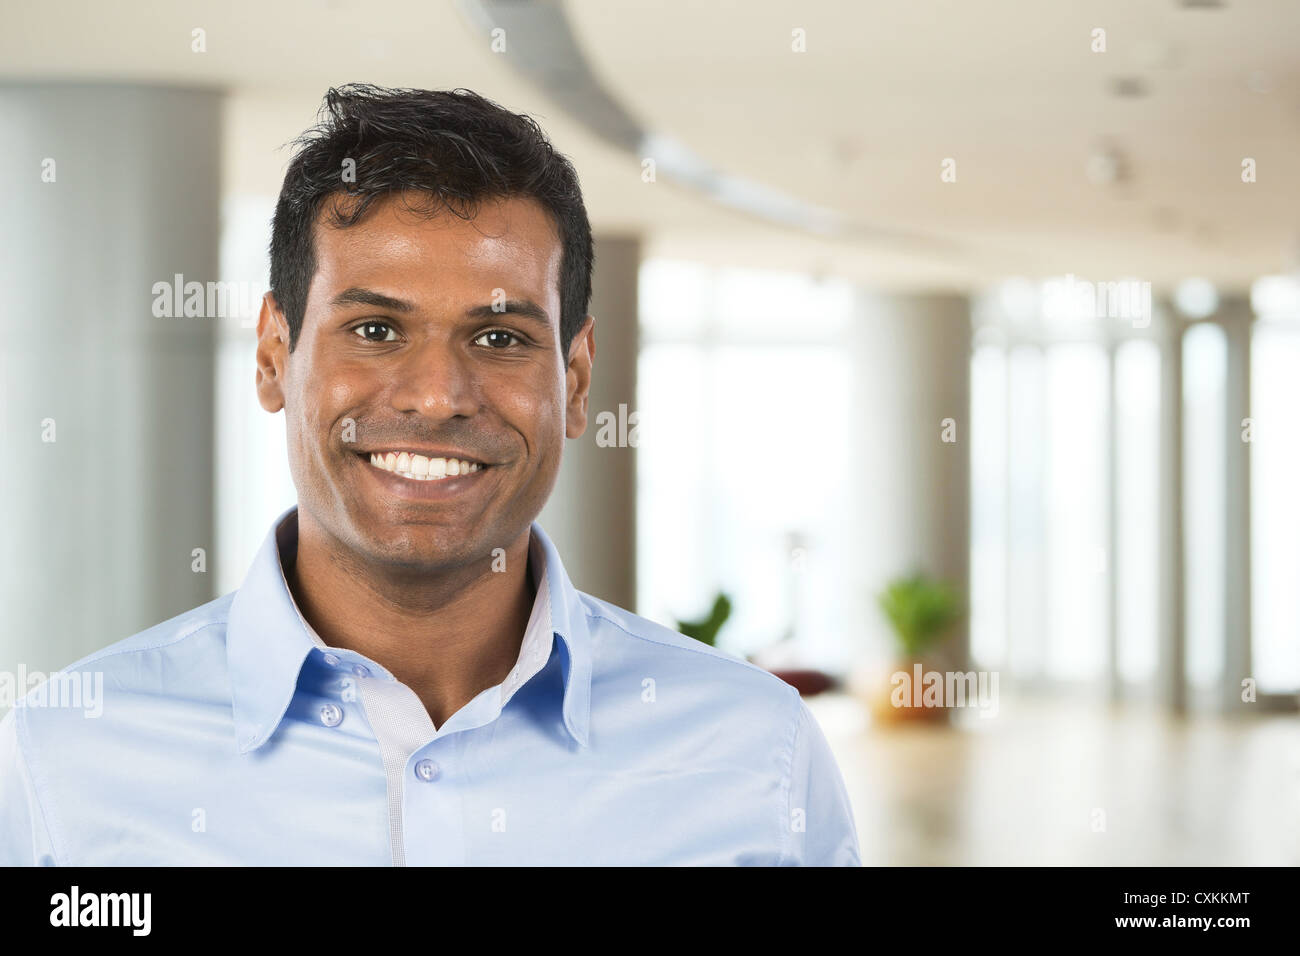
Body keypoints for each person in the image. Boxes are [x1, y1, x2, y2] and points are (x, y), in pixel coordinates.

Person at [0, 84, 860, 866]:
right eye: (375, 330)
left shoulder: (756, 754)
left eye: (499, 338)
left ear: (577, 379)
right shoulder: (62, 759)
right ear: (273, 356)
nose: (438, 396)